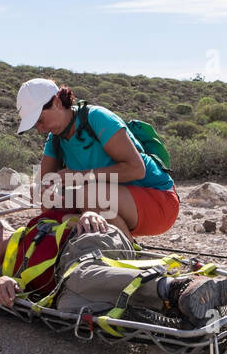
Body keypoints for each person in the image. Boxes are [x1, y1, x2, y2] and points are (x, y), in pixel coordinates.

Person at [0, 210, 227, 324]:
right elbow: (16, 291)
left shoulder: (36, 223)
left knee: (77, 277)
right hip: (77, 275)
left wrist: (87, 213)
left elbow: (75, 212)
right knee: (67, 306)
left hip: (91, 242)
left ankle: (176, 286)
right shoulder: (9, 273)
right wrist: (4, 283)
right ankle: (176, 303)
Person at [15, 78, 179, 238]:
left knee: (89, 194)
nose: (39, 129)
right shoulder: (56, 138)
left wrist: (80, 177)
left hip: (159, 200)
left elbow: (137, 169)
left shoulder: (96, 118)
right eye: (34, 125)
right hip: (119, 202)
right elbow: (45, 183)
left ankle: (126, 253)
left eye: (39, 120)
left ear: (57, 102)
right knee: (49, 202)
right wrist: (44, 189)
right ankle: (110, 240)